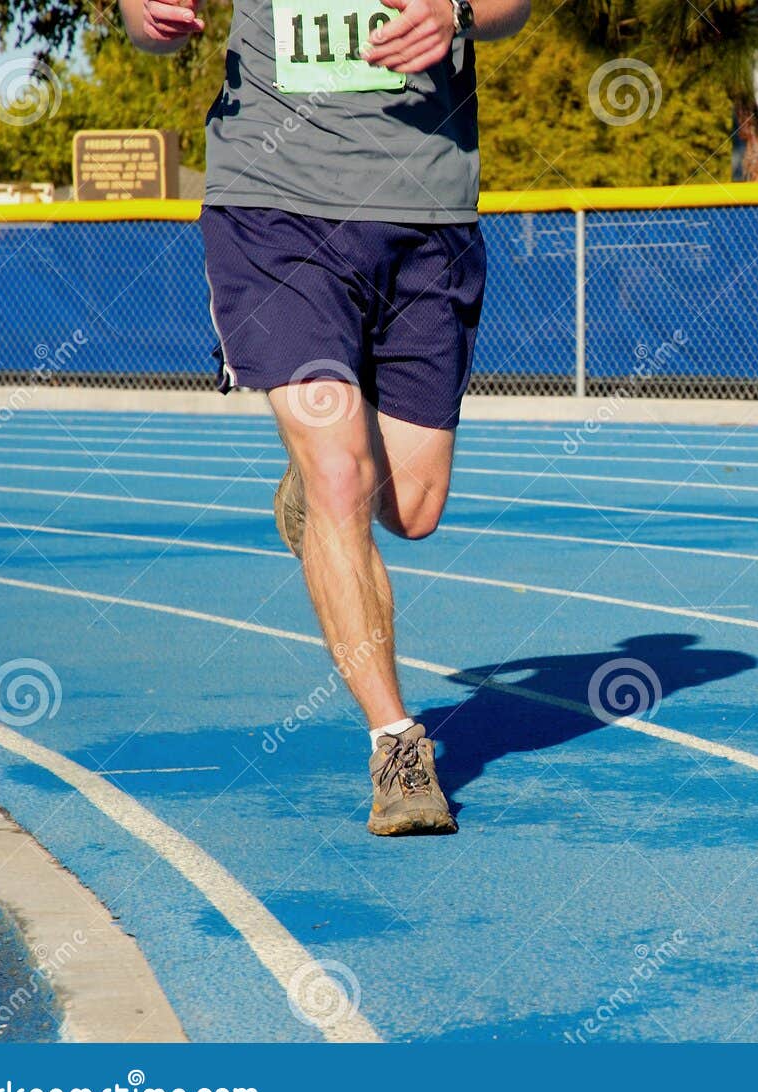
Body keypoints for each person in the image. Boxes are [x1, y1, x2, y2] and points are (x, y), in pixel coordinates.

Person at [121, 0, 530, 835]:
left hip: (427, 208)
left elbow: (511, 6)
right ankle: (397, 746)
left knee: (411, 507)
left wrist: (457, 13)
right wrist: (144, 15)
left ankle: (315, 483)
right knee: (341, 471)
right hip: (275, 205)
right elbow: (137, 10)